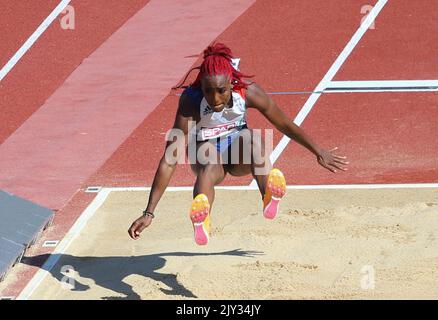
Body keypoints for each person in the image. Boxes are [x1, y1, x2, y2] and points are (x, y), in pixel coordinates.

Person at [128, 43, 348, 245]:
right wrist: (149, 212)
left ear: (231, 82)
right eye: (208, 91)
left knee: (253, 140)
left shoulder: (248, 92)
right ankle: (202, 220)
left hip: (236, 153)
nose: (215, 99)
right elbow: (170, 159)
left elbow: (285, 124)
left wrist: (317, 151)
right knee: (208, 160)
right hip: (204, 152)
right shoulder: (191, 100)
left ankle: (268, 196)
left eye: (221, 90)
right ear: (201, 87)